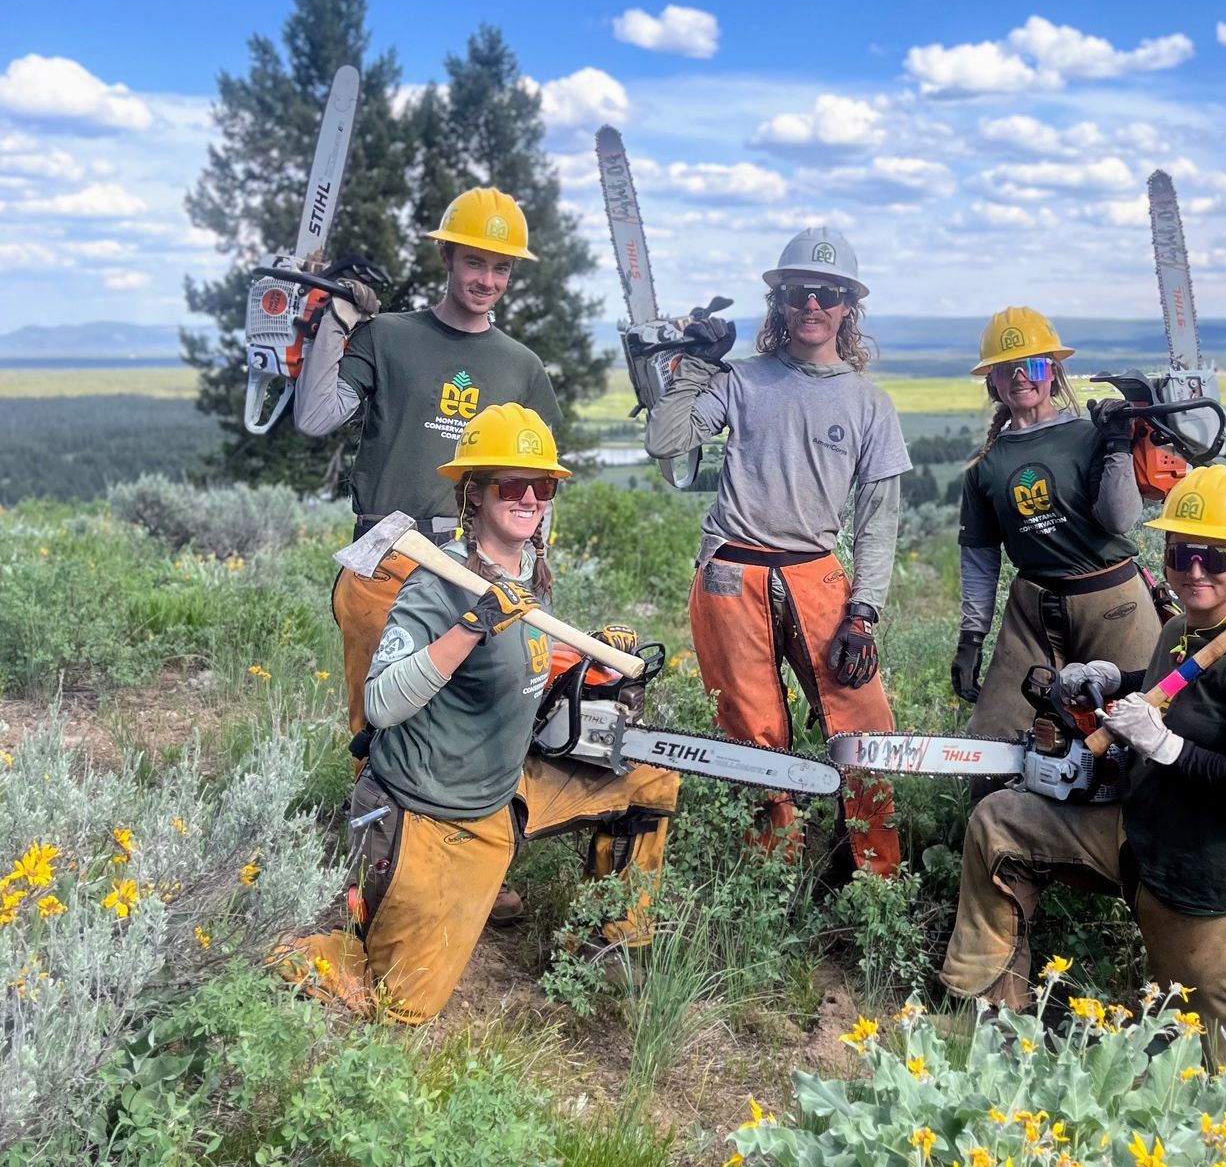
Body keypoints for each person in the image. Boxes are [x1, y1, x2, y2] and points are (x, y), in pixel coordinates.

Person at [941, 464, 1226, 1058]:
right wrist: (1119, 679)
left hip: (1205, 881)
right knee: (1000, 824)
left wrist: (1167, 749)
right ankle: (988, 1011)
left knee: (1213, 1069)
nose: (1196, 569)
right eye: (1182, 551)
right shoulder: (1177, 629)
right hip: (1135, 837)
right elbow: (1169, 688)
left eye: (1216, 557)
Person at [278, 405, 679, 1022]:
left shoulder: (530, 576)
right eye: (509, 485)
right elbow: (381, 704)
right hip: (428, 813)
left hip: (502, 791)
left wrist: (591, 664)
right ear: (474, 494)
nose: (528, 498)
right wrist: (469, 628)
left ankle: (607, 940)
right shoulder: (435, 585)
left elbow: (525, 668)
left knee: (650, 780)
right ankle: (307, 949)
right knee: (402, 1006)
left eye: (540, 486)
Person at [644, 225, 910, 876]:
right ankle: (772, 881)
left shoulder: (870, 403)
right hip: (732, 569)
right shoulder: (741, 380)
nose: (811, 304)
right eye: (796, 292)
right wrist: (696, 364)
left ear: (848, 305)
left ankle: (874, 879)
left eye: (826, 292)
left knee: (864, 723)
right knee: (756, 738)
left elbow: (879, 520)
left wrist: (864, 613)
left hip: (815, 572)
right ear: (780, 305)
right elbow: (666, 443)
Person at [294, 186, 559, 737]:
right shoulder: (387, 336)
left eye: (501, 268)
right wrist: (335, 320)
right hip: (388, 559)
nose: (487, 280)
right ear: (446, 258)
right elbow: (316, 416)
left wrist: (532, 566)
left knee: (469, 723)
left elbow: (539, 483)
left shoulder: (523, 367)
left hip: (478, 569)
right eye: (474, 262)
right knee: (377, 723)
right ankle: (375, 824)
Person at [952, 308, 1164, 742]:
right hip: (1032, 609)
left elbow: (1121, 519)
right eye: (1005, 369)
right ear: (991, 381)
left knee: (1138, 729)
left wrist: (1118, 444)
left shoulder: (1090, 436)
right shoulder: (984, 467)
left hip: (1112, 602)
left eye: (1031, 365)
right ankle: (1003, 810)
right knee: (994, 733)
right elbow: (980, 561)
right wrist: (971, 637)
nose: (1020, 378)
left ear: (1053, 370)